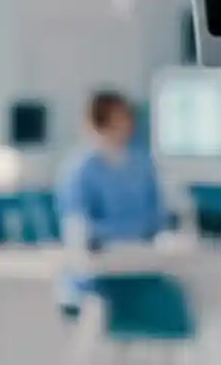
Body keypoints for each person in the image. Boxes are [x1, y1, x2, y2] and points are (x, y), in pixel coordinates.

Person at [54, 90, 167, 316]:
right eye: (118, 118)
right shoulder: (81, 169)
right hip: (96, 274)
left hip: (139, 267)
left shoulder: (141, 165)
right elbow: (77, 226)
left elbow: (156, 217)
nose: (125, 125)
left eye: (126, 117)